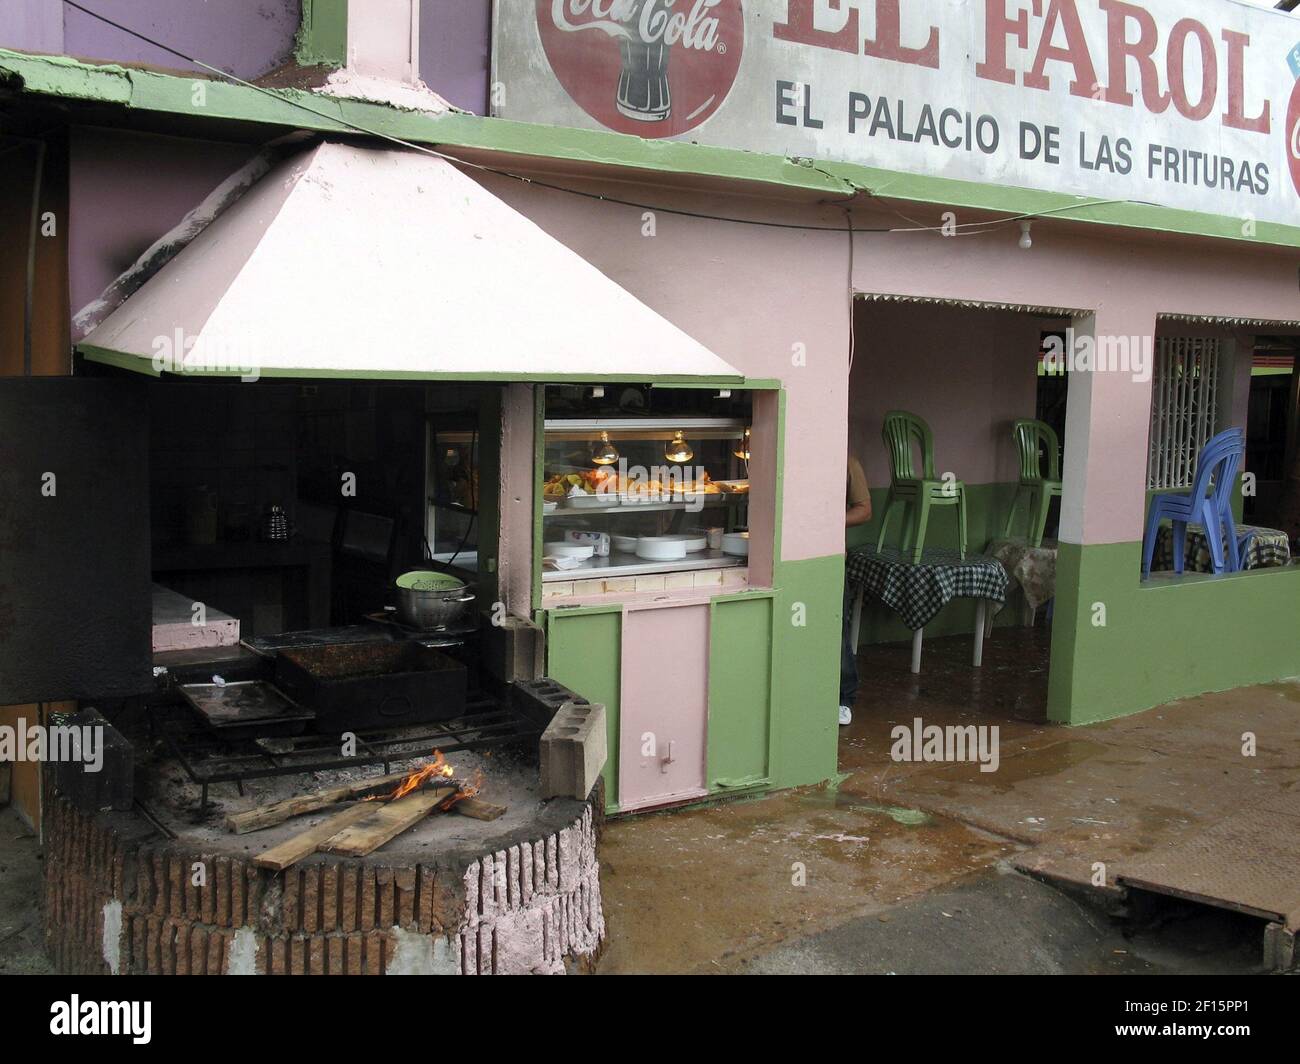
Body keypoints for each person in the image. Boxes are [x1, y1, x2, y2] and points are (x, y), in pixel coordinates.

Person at [842, 453, 872, 726]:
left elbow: (864, 509)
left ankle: (843, 698)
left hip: (832, 555)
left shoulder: (848, 461)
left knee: (837, 629)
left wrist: (831, 521)